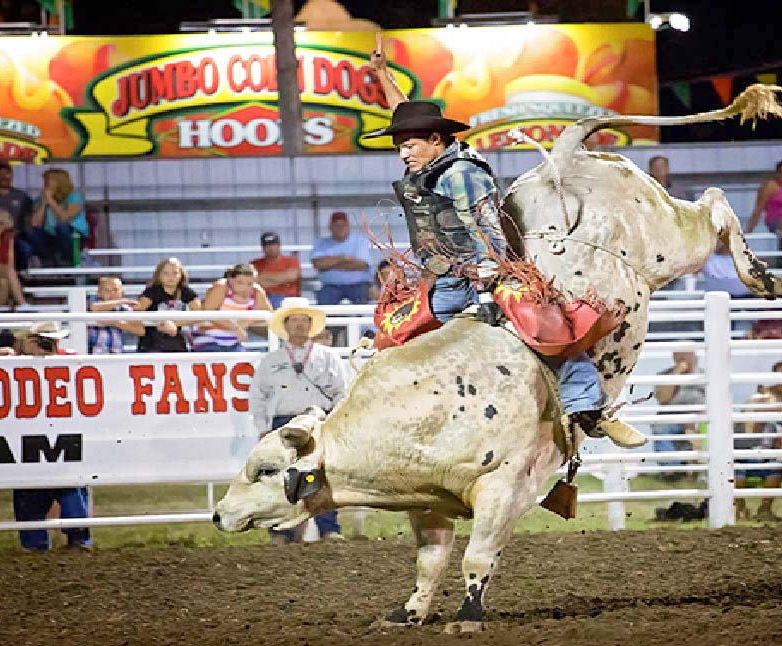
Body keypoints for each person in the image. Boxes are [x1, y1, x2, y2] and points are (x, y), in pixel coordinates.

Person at [367, 43, 643, 447]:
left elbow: (483, 226)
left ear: (435, 140)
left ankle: (590, 408)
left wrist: (488, 281)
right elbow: (410, 115)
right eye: (400, 146)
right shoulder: (434, 160)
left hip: (480, 273)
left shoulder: (458, 173)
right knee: (397, 336)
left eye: (409, 145)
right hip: (447, 279)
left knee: (544, 327)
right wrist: (383, 76)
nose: (403, 153)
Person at [249, 298, 349, 542]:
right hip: (284, 422)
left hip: (318, 420)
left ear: (311, 325)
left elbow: (341, 392)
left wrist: (334, 422)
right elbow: (258, 396)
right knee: (282, 478)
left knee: (321, 476)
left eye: (304, 320)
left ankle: (328, 528)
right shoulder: (271, 360)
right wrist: (263, 428)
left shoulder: (328, 357)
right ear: (286, 325)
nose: (300, 326)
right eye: (294, 320)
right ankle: (281, 530)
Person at [11, 321, 93, 551]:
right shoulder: (16, 362)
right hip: (31, 430)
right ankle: (37, 542)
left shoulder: (71, 358)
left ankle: (77, 538)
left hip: (59, 429)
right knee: (31, 487)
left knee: (67, 483)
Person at [193, 264, 272, 352]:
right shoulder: (222, 287)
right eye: (240, 282)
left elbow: (269, 315)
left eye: (249, 284)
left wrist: (248, 321)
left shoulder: (256, 291)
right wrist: (235, 327)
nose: (244, 287)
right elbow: (207, 313)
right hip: (207, 340)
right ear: (231, 280)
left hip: (234, 342)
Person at [733, 392, 782, 521]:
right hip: (740, 461)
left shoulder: (771, 427)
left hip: (762, 461)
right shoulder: (736, 426)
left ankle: (765, 509)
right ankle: (741, 508)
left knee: (776, 469)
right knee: (736, 472)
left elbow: (778, 448)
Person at [136, 258, 202, 353]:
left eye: (175, 273)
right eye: (166, 273)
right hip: (151, 342)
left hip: (178, 341)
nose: (170, 277)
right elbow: (137, 313)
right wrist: (160, 323)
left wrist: (174, 323)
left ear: (181, 275)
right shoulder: (151, 293)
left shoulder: (186, 292)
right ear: (159, 275)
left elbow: (199, 315)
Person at [310, 211, 373, 306]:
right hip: (331, 286)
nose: (340, 228)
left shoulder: (360, 241)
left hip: (358, 285)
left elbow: (361, 265)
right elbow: (318, 264)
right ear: (330, 227)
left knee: (363, 305)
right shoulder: (321, 243)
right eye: (336, 225)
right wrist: (343, 258)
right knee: (324, 307)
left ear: (348, 226)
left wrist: (330, 264)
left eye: (343, 225)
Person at [29, 167, 87, 267]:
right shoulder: (41, 200)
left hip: (73, 237)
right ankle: (47, 260)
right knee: (31, 232)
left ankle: (67, 261)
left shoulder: (74, 197)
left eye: (48, 181)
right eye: (45, 181)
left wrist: (51, 202)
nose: (45, 185)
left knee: (62, 227)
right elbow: (34, 223)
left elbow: (64, 218)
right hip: (51, 236)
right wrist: (43, 204)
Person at [653, 351, 704, 459]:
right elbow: (663, 399)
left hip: (699, 417)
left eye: (686, 353)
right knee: (659, 427)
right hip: (672, 417)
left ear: (695, 357)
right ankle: (671, 470)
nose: (682, 357)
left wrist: (693, 421)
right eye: (678, 354)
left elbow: (713, 401)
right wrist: (675, 375)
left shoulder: (705, 375)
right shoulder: (664, 375)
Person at [87, 277, 143, 354]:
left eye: (116, 290)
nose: (112, 293)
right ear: (99, 293)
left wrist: (116, 323)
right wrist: (123, 301)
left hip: (116, 352)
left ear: (122, 292)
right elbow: (94, 307)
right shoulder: (95, 304)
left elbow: (140, 330)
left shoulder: (124, 308)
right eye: (107, 290)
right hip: (94, 353)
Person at [251, 232, 302, 309]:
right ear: (262, 247)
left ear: (279, 245)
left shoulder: (292, 261)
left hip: (287, 299)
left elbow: (292, 276)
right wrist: (282, 279)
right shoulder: (255, 263)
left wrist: (264, 277)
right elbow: (253, 281)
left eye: (273, 245)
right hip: (262, 298)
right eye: (267, 245)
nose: (271, 248)